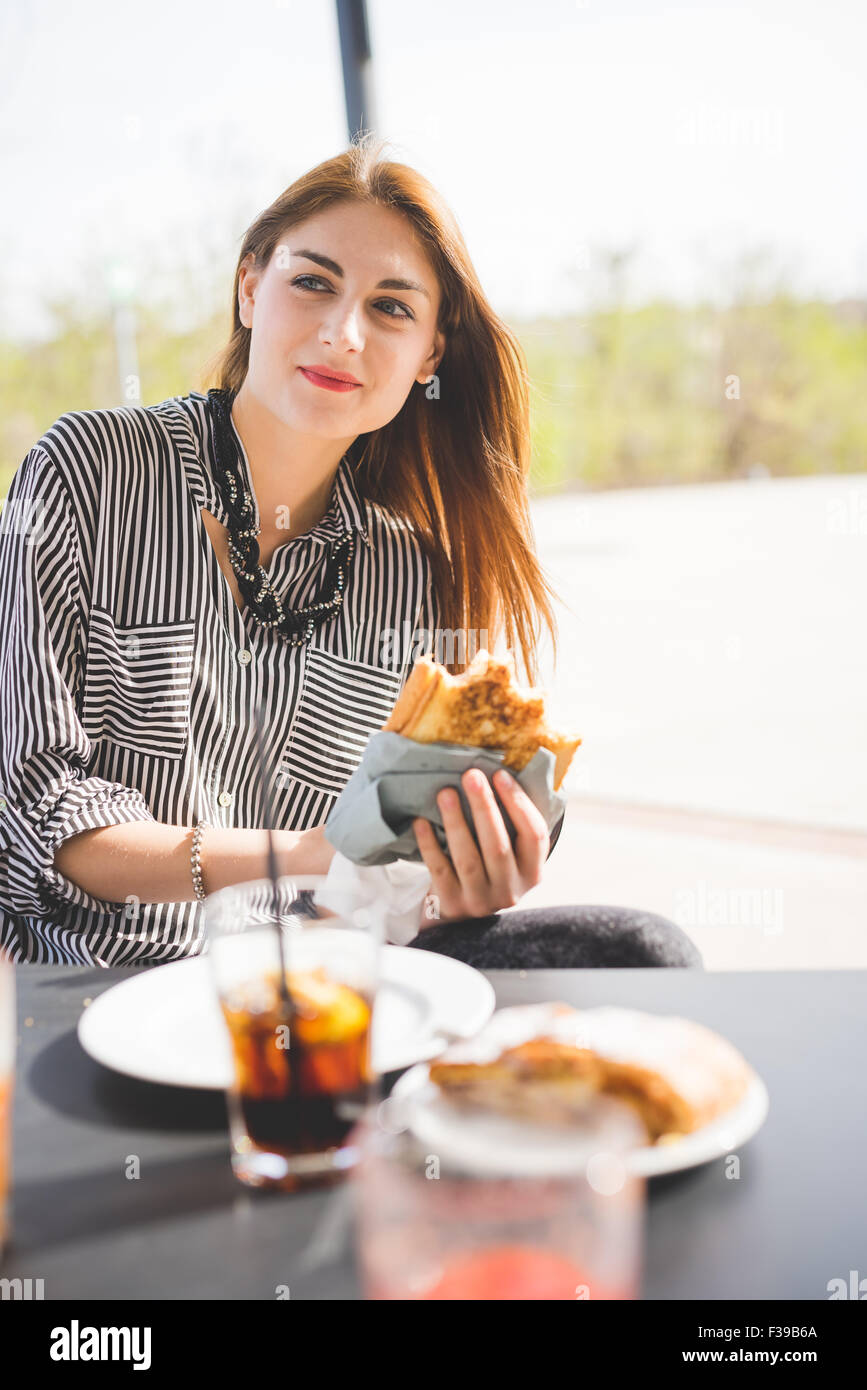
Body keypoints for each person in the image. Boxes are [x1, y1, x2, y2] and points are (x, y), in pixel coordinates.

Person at [0, 135, 700, 970]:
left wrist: (461, 876)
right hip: (100, 988)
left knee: (646, 954)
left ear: (429, 352)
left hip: (330, 987)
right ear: (251, 287)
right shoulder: (90, 470)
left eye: (391, 307)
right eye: (313, 283)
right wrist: (297, 854)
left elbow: (397, 866)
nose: (342, 334)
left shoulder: (417, 571)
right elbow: (36, 810)